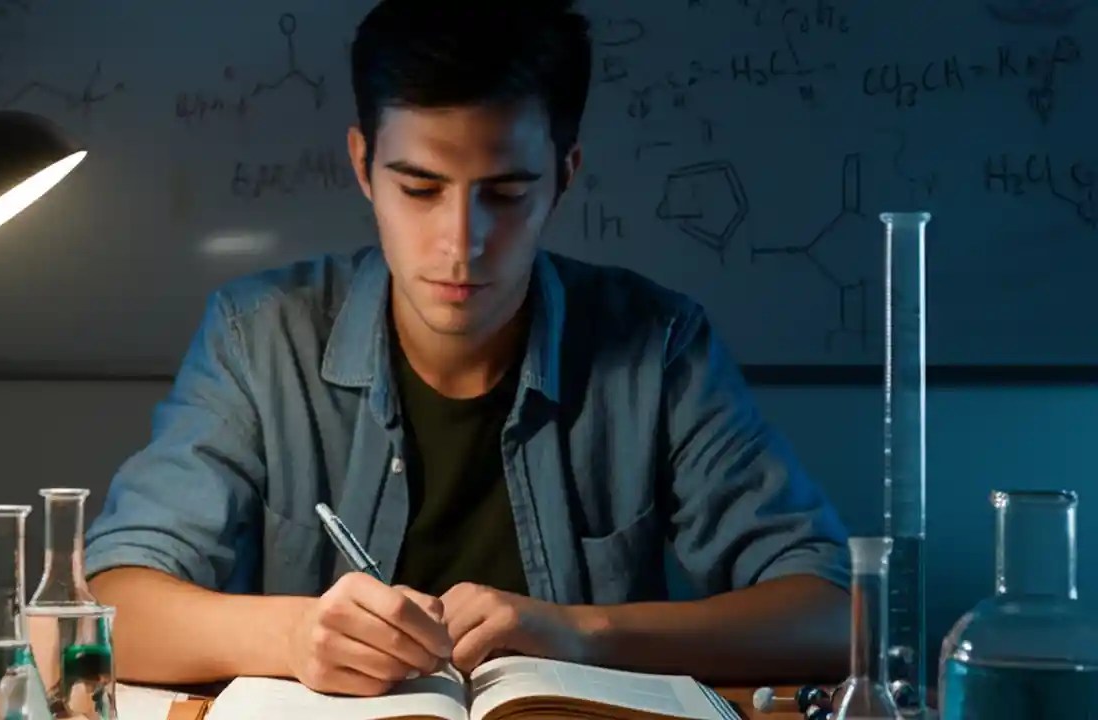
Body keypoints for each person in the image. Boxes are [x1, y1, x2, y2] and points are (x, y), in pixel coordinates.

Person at [84, 0, 851, 698]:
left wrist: (580, 635)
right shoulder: (258, 336)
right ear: (362, 167)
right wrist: (293, 634)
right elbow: (103, 609)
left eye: (507, 194)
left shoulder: (658, 344)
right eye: (419, 189)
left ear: (564, 176)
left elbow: (834, 615)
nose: (461, 244)